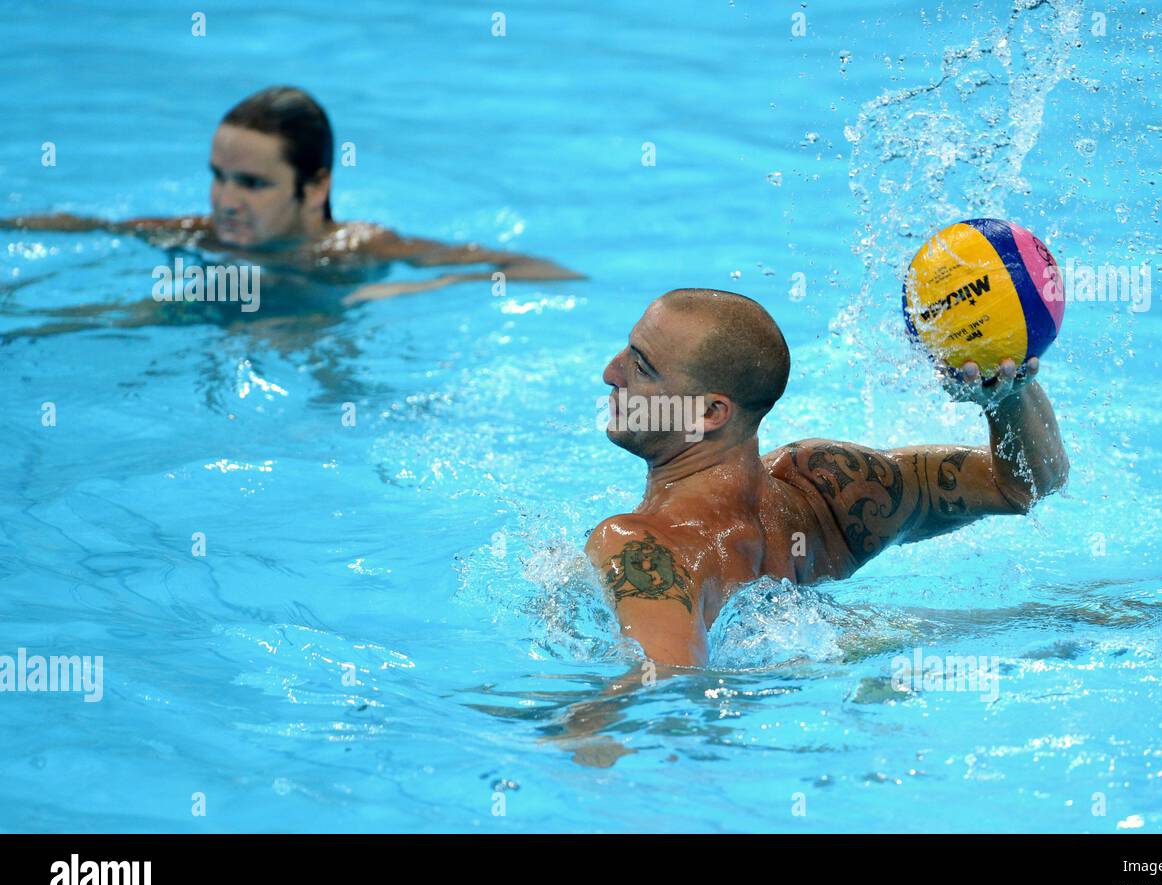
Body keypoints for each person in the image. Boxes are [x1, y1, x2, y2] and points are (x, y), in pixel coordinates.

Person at [585, 287, 1069, 667]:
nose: (612, 373)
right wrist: (1008, 400)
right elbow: (1024, 483)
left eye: (641, 368)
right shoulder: (827, 488)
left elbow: (665, 694)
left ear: (711, 413)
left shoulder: (636, 545)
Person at [1, 85, 581, 336]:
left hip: (314, 330)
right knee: (94, 320)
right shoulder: (202, 237)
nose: (226, 201)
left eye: (252, 183)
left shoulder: (356, 247)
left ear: (316, 184)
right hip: (216, 313)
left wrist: (410, 290)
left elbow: (528, 268)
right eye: (218, 177)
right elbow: (91, 226)